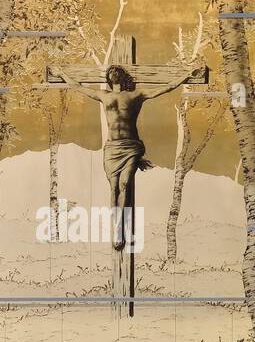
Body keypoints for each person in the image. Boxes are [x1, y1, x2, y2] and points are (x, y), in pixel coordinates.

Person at [53, 63, 200, 249]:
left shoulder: (136, 95)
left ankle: (122, 228)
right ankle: (116, 228)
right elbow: (78, 87)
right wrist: (61, 74)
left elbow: (167, 87)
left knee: (125, 185)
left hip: (130, 146)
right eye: (110, 72)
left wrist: (187, 75)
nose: (113, 73)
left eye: (116, 71)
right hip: (112, 149)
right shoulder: (103, 95)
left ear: (123, 76)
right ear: (108, 78)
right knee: (114, 189)